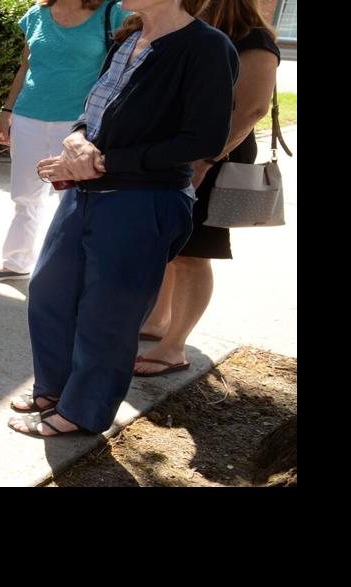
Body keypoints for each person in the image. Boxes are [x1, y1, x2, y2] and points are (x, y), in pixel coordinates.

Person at [10, 0, 237, 437]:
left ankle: (83, 412)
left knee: (108, 314)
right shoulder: (129, 37)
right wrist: (76, 140)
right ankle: (54, 389)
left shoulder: (207, 47)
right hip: (88, 192)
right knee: (49, 290)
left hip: (144, 200)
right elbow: (94, 109)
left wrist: (106, 161)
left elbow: (204, 138)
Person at [133, 0, 279, 377]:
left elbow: (250, 111)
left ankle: (173, 346)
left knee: (195, 252)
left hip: (217, 158)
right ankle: (158, 322)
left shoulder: (255, 39)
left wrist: (205, 163)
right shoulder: (198, 31)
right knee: (171, 246)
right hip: (185, 152)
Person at [0, 0, 127, 284]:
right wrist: (7, 111)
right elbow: (25, 67)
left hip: (78, 124)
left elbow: (124, 70)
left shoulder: (113, 13)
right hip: (29, 117)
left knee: (74, 199)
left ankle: (69, 271)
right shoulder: (36, 14)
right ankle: (15, 262)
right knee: (24, 195)